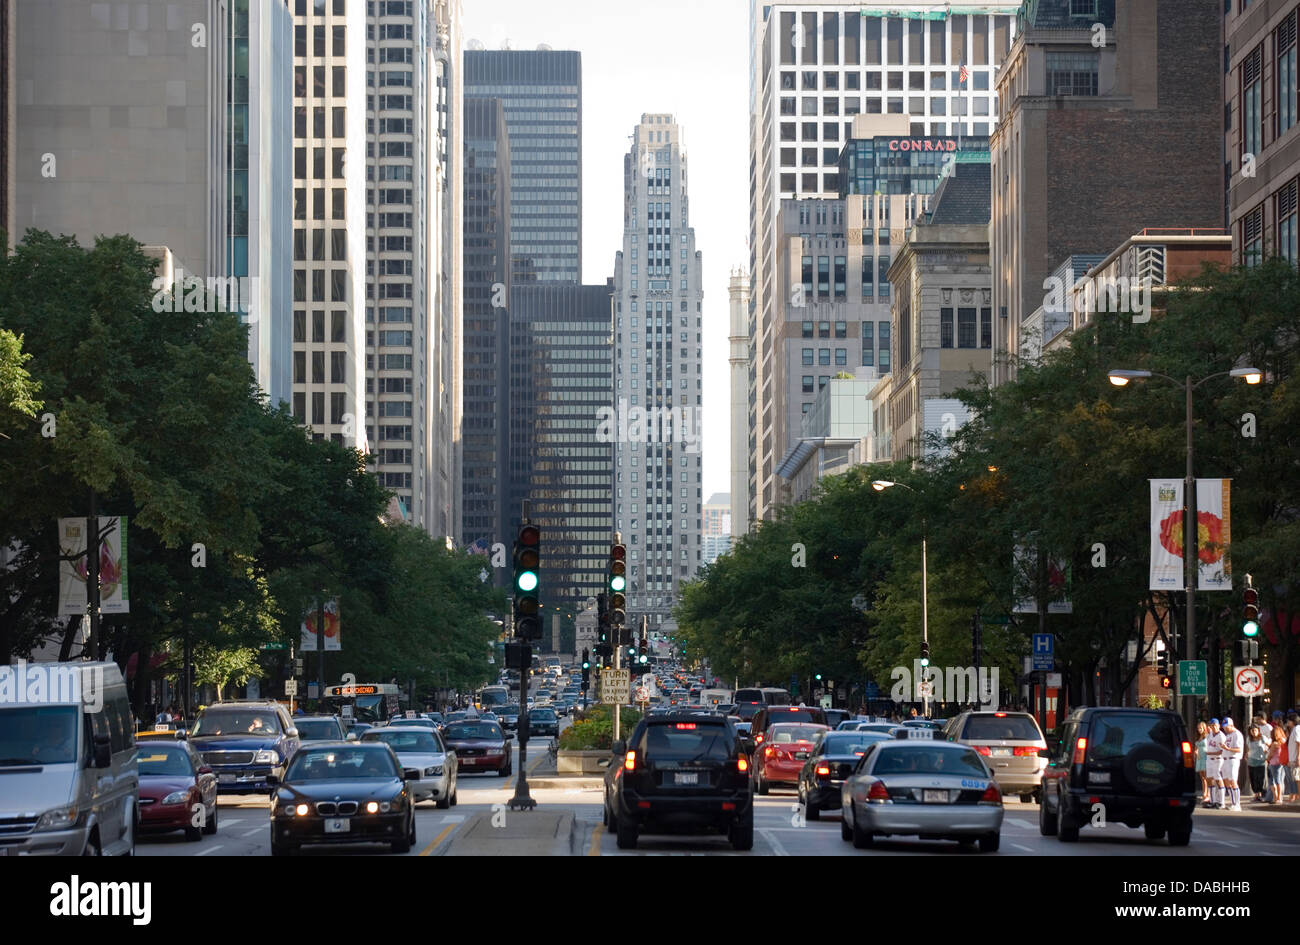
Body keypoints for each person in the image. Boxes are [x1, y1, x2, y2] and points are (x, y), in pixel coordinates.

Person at [1219, 717, 1244, 811]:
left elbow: (1239, 749)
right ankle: (1232, 801)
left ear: (1231, 725)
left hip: (1233, 759)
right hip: (1225, 759)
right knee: (1226, 781)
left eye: (1227, 727)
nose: (1225, 728)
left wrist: (1228, 749)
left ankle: (1237, 804)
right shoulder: (1227, 735)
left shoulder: (1237, 734)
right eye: (1224, 727)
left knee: (1233, 781)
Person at [1204, 718, 1224, 809]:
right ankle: (1213, 800)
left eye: (1215, 725)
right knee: (1209, 779)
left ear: (1218, 726)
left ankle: (1221, 802)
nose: (1214, 727)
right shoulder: (1210, 735)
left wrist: (1210, 753)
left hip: (1217, 759)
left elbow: (1221, 751)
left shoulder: (1221, 736)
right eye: (1212, 725)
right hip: (1209, 759)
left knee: (1218, 779)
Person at [1247, 724, 1269, 802]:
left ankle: (1262, 794)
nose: (1254, 732)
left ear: (1258, 730)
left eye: (1255, 730)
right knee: (1253, 778)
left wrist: (1266, 753)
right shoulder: (1248, 739)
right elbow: (1248, 748)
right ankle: (1256, 795)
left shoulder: (1262, 738)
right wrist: (1247, 755)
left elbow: (1269, 745)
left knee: (1261, 779)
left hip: (1261, 761)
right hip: (1251, 761)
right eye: (1252, 730)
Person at [1267, 724, 1288, 803]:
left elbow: (1271, 754)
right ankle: (1280, 797)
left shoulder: (1274, 744)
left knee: (1274, 781)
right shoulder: (1284, 741)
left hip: (1273, 763)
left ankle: (1277, 797)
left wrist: (1267, 759)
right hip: (1282, 762)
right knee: (1280, 780)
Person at [1194, 721, 1209, 802]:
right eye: (1198, 728)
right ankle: (1204, 792)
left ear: (1204, 728)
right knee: (1202, 777)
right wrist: (1195, 752)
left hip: (1205, 757)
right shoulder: (1198, 737)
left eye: (1201, 728)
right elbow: (1196, 748)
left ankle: (1207, 794)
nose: (1199, 730)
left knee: (1207, 777)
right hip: (1199, 758)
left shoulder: (1207, 737)